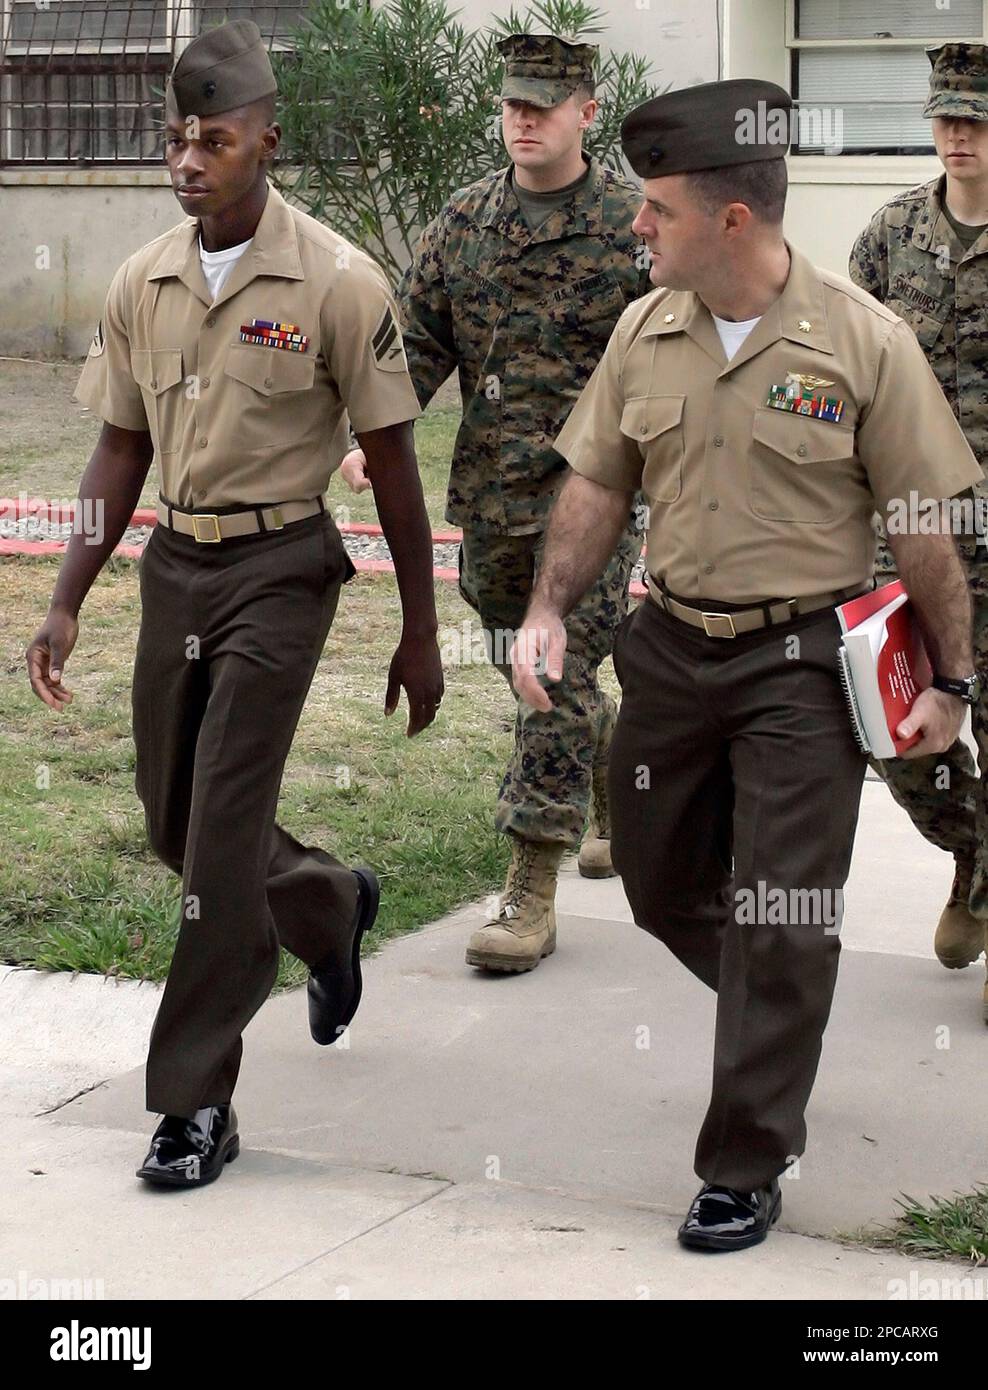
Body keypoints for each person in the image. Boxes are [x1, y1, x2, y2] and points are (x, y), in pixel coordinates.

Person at [511, 79, 982, 1251]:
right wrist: (547, 608)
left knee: (784, 911)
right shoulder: (643, 327)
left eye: (655, 210)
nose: (635, 227)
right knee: (660, 881)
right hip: (667, 647)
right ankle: (780, 1009)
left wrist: (951, 682)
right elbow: (598, 479)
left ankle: (745, 1155)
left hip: (799, 663)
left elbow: (922, 519)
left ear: (732, 220)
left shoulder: (861, 339)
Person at [25, 20, 443, 1188]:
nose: (188, 158)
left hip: (282, 572)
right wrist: (66, 600)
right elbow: (118, 448)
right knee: (174, 821)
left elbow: (397, 468)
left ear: (267, 137)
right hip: (177, 567)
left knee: (215, 841)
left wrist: (419, 628)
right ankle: (327, 903)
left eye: (213, 138)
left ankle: (193, 1101)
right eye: (176, 138)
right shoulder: (142, 278)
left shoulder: (339, 284)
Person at [341, 32, 650, 973]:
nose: (522, 119)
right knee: (536, 671)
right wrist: (372, 439)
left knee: (548, 678)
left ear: (586, 114)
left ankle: (529, 888)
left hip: (595, 501)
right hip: (491, 500)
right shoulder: (464, 219)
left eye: (542, 107)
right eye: (512, 104)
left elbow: (673, 360)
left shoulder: (632, 227)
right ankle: (606, 766)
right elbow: (416, 346)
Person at [849, 42, 988, 1019]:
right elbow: (844, 358)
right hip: (911, 534)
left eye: (975, 118)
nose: (957, 133)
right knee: (895, 730)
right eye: (945, 115)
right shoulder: (890, 234)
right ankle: (973, 852)